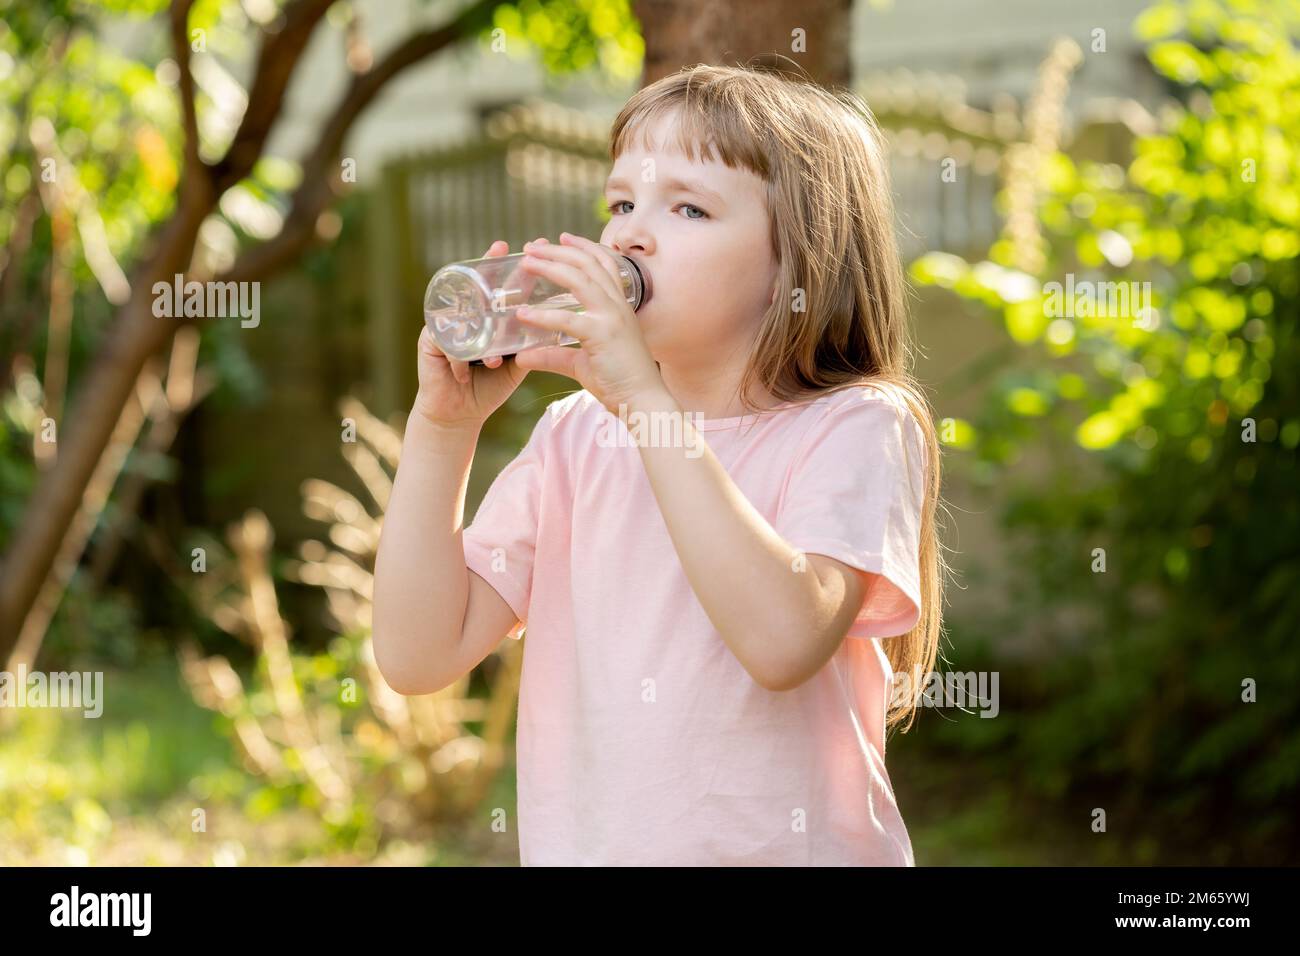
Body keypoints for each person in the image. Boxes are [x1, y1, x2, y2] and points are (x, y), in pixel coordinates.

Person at [373, 63, 947, 866]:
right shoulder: (576, 437)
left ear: (797, 266)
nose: (630, 234)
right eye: (621, 203)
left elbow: (784, 641)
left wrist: (645, 404)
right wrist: (442, 431)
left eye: (688, 207)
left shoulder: (853, 426)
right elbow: (416, 654)